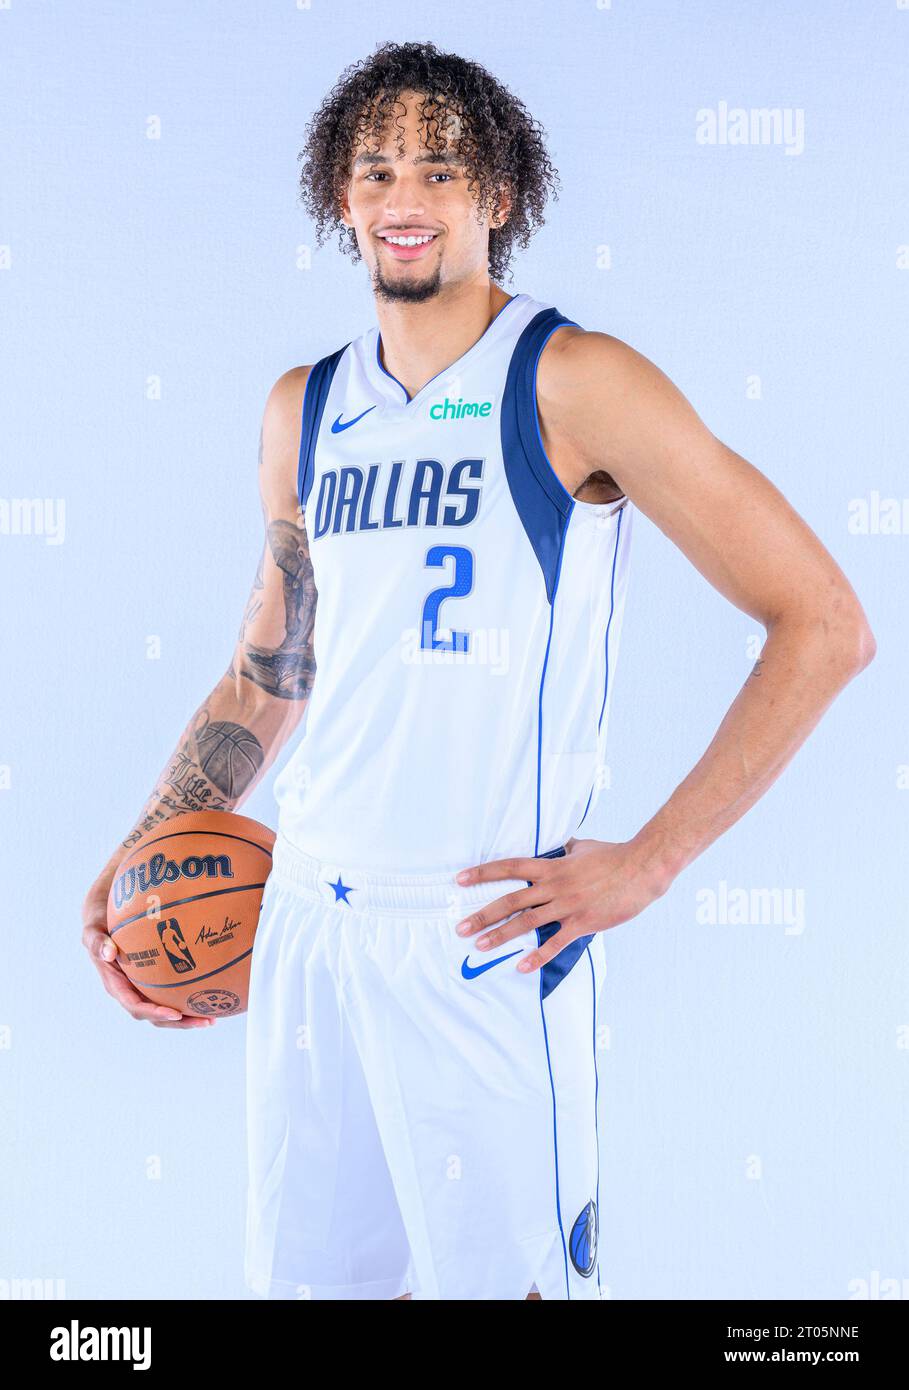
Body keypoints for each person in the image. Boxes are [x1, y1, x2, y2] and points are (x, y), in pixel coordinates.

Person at [82, 41, 875, 1301]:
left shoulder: (574, 380)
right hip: (305, 922)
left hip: (484, 929)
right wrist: (149, 844)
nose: (406, 196)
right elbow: (266, 670)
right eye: (378, 168)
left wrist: (649, 861)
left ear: (499, 196)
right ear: (339, 198)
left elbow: (824, 622)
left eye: (442, 170)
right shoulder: (305, 407)